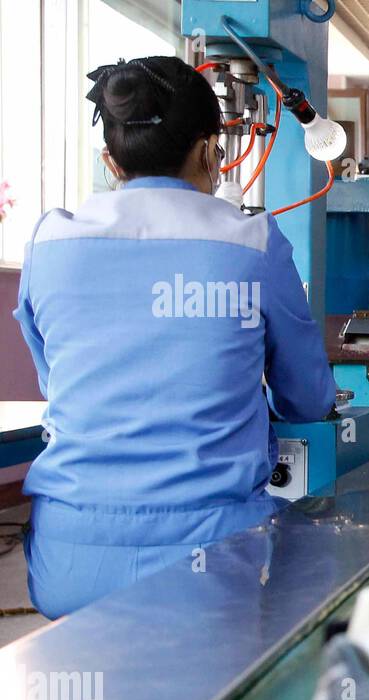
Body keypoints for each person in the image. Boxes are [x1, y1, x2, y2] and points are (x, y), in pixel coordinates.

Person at [12, 56, 336, 618]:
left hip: (68, 562)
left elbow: (55, 379)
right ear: (212, 150)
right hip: (211, 562)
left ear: (110, 161)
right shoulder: (255, 241)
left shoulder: (47, 242)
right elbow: (308, 399)